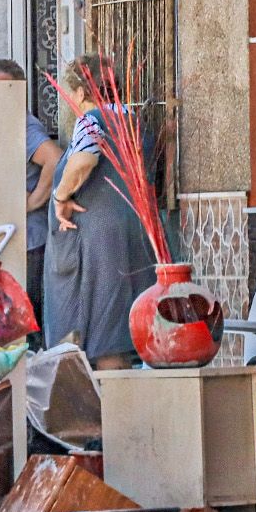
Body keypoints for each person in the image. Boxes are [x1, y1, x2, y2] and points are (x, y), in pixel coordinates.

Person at [44, 54, 158, 370]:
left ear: (81, 92)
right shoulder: (135, 122)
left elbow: (84, 159)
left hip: (97, 245)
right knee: (120, 332)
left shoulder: (92, 121)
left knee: (102, 337)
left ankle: (106, 401)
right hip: (136, 235)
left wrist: (61, 195)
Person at [0, 59, 63, 329]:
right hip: (8, 239)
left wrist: (31, 202)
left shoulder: (23, 126)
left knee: (26, 322)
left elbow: (55, 159)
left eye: (3, 90)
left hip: (28, 242)